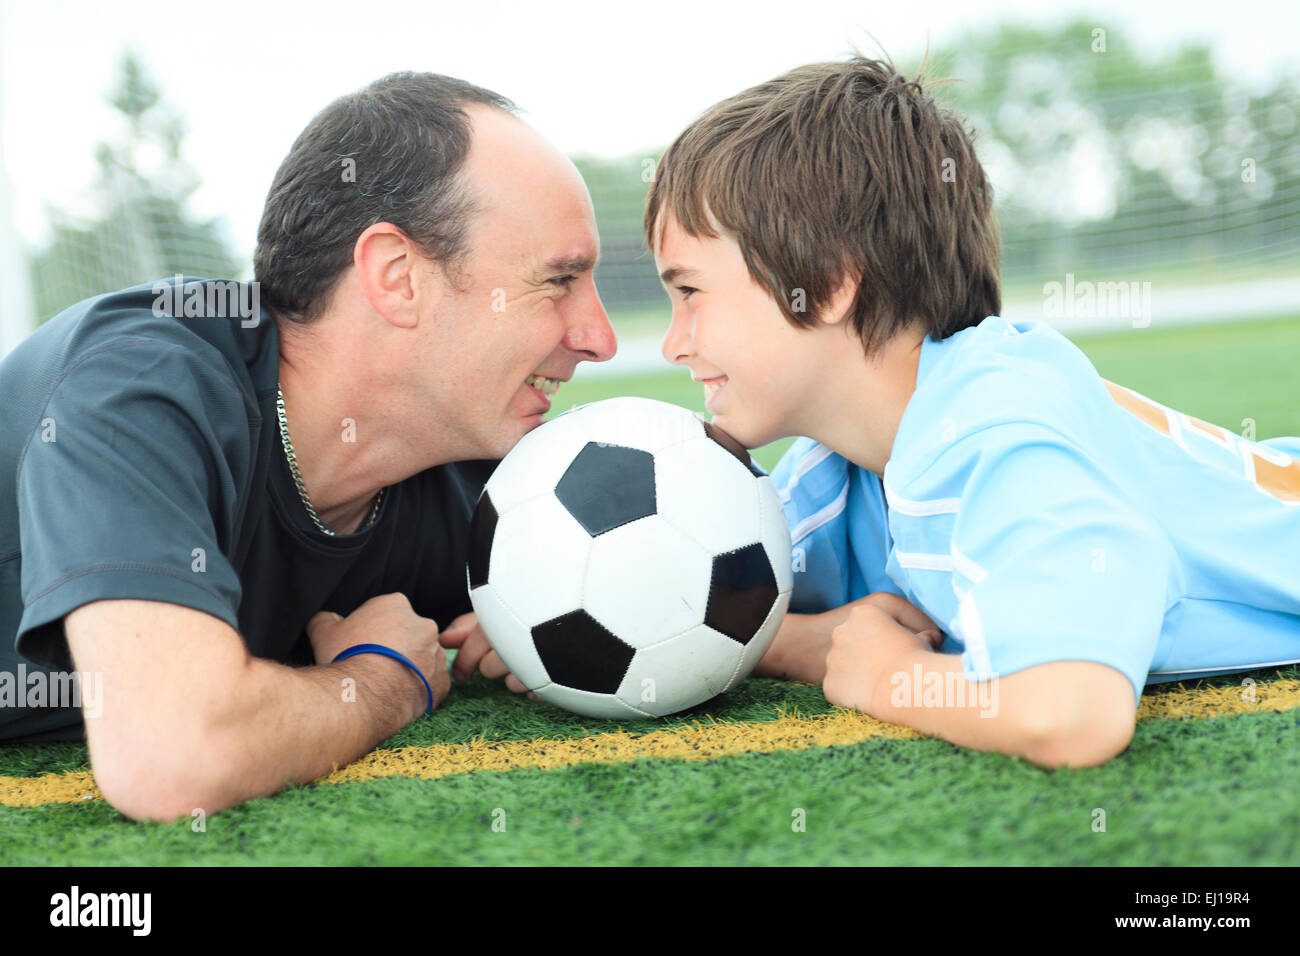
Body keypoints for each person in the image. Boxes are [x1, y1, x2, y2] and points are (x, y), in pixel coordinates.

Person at [639, 56, 1300, 768]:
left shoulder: (992, 436)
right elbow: (683, 590)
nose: (674, 343)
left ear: (826, 284)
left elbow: (1071, 712)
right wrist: (797, 643)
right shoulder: (839, 467)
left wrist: (895, 679)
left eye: (691, 293)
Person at [0, 72, 616, 820]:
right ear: (397, 278)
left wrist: (575, 591)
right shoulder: (139, 386)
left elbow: (740, 546)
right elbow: (173, 756)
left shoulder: (477, 478)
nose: (600, 338)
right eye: (558, 281)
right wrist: (385, 677)